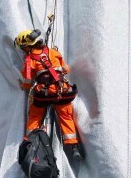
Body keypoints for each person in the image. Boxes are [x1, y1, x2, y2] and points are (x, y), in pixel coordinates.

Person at [15, 30, 83, 161]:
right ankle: (74, 147)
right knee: (66, 117)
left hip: (43, 94)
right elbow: (66, 69)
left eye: (23, 48)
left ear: (28, 47)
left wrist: (22, 85)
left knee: (35, 117)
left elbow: (28, 82)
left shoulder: (29, 61)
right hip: (61, 91)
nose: (23, 51)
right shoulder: (53, 52)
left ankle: (30, 145)